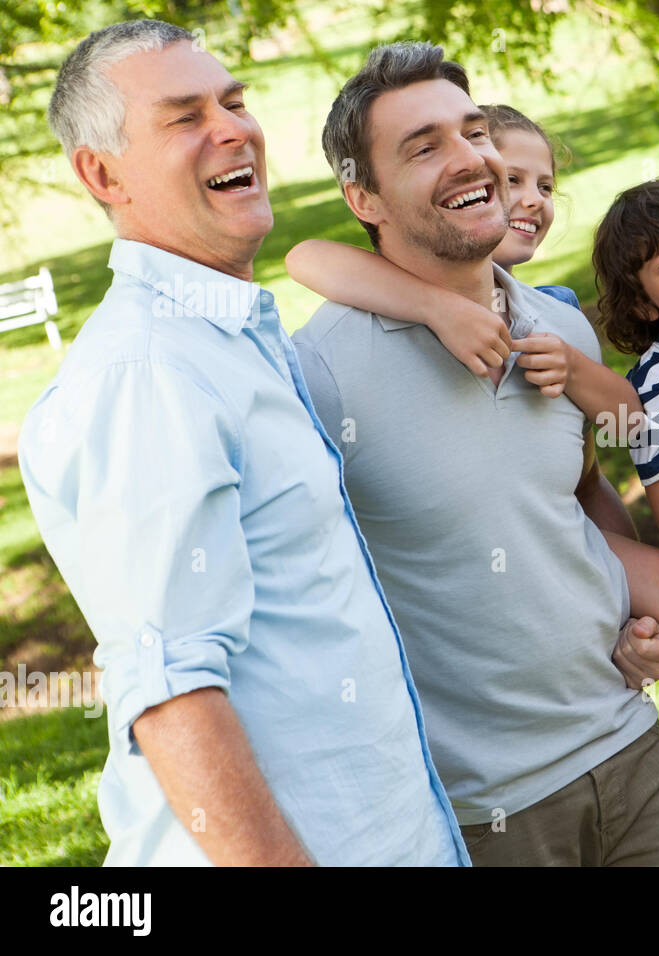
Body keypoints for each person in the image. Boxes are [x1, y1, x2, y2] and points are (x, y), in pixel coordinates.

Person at [18, 20, 467, 866]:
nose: (233, 129)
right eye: (185, 116)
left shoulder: (229, 340)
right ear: (101, 172)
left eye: (234, 102)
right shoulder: (148, 374)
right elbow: (171, 693)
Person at [290, 42, 659, 866]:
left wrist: (635, 617)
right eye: (424, 146)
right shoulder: (320, 374)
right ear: (363, 198)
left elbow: (573, 504)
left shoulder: (560, 332)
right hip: (488, 810)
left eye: (473, 131)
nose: (469, 159)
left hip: (632, 751)